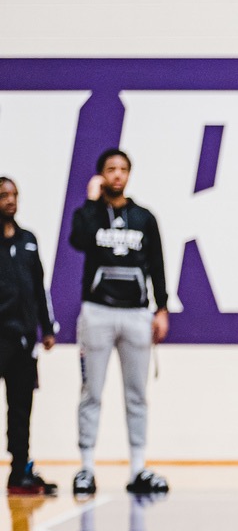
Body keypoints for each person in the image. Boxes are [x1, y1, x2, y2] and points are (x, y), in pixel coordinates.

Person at [68, 149, 170, 497]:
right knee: (91, 392)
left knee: (137, 395)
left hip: (136, 313)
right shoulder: (92, 215)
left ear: (129, 175)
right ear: (101, 176)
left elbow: (156, 262)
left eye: (122, 169)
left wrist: (162, 308)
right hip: (97, 311)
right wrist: (91, 200)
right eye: (110, 169)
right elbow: (77, 240)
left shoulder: (144, 218)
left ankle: (138, 468)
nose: (117, 175)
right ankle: (86, 469)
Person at [0, 177, 58, 496]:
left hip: (23, 339)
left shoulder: (28, 240)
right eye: (3, 195)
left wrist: (46, 328)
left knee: (21, 408)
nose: (10, 200)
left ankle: (19, 470)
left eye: (14, 195)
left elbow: (39, 288)